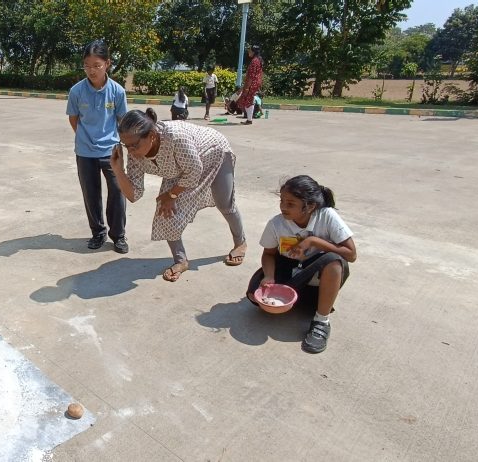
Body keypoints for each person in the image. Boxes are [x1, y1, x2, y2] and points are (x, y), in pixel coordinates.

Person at [111, 109, 247, 282]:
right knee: (165, 212)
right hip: (181, 169)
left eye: (134, 145)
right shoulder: (135, 155)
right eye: (126, 146)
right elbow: (134, 195)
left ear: (151, 134)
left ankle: (240, 242)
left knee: (224, 204)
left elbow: (194, 170)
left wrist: (172, 195)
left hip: (214, 153)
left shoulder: (175, 137)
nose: (130, 151)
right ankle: (181, 260)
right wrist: (117, 170)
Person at [245, 175, 357, 354]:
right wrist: (269, 275)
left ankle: (321, 320)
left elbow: (351, 255)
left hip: (316, 274)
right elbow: (268, 254)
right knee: (253, 295)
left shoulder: (326, 216)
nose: (283, 207)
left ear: (310, 206)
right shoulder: (276, 223)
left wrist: (315, 241)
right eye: (281, 201)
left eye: (290, 204)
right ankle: (298, 300)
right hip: (288, 268)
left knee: (334, 262)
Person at [66, 40, 129, 253]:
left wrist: (115, 143)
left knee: (117, 193)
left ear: (107, 64)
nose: (91, 70)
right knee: (91, 194)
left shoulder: (118, 92)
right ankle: (98, 233)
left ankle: (118, 235)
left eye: (97, 65)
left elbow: (122, 122)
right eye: (87, 65)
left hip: (112, 151)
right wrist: (86, 139)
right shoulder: (76, 91)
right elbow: (74, 119)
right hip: (85, 152)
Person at [235, 45, 264, 125]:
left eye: (250, 50)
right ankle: (249, 119)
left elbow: (251, 75)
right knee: (249, 100)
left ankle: (249, 119)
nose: (248, 52)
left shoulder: (254, 61)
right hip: (255, 83)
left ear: (253, 52)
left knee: (247, 100)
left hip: (251, 84)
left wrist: (247, 87)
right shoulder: (258, 60)